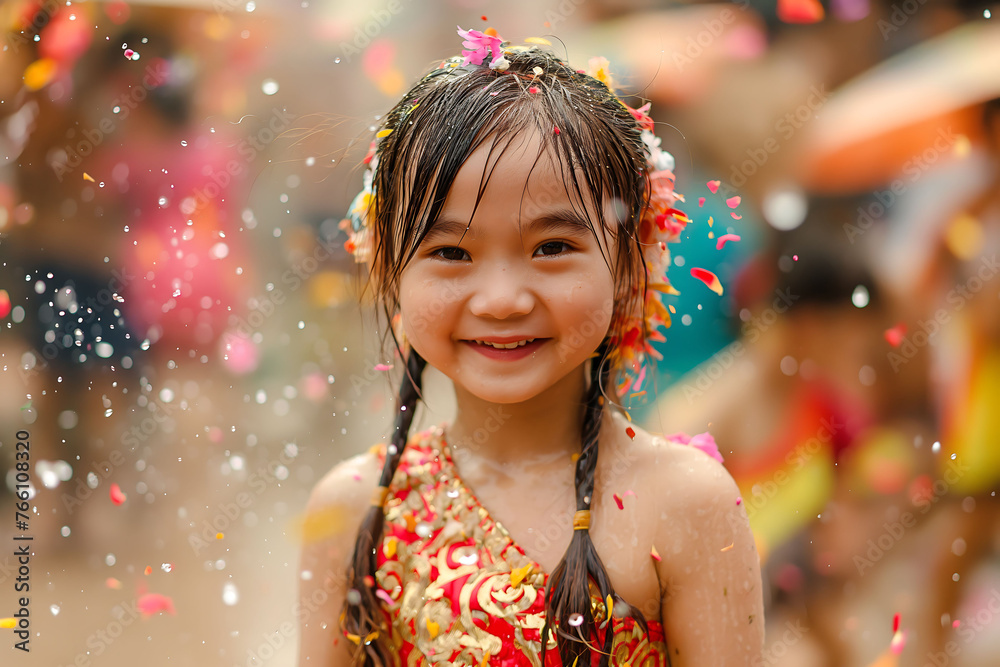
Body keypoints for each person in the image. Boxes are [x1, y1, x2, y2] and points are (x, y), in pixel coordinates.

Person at [298, 26, 763, 667]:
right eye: (450, 252)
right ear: (387, 271)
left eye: (552, 247)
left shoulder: (685, 503)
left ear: (634, 262)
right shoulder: (352, 509)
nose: (502, 299)